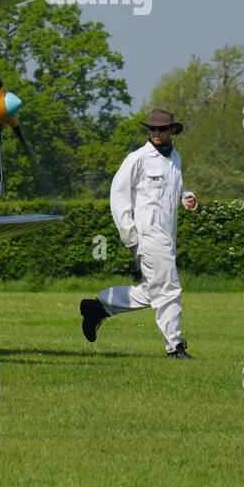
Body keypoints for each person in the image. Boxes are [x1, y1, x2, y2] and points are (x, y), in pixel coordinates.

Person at [80, 109, 197, 359]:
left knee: (153, 290)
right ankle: (174, 346)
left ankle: (98, 307)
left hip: (167, 236)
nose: (156, 133)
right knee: (170, 290)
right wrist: (129, 235)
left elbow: (170, 190)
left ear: (172, 131)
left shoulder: (174, 157)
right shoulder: (138, 158)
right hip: (146, 235)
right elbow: (118, 196)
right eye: (152, 129)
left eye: (162, 129)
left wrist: (185, 196)